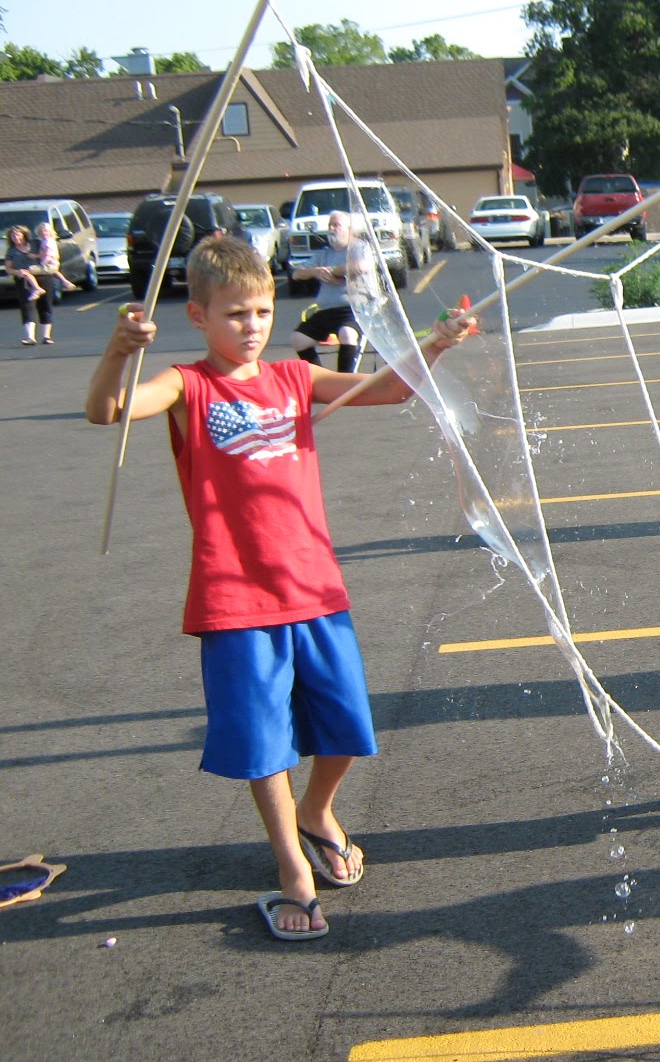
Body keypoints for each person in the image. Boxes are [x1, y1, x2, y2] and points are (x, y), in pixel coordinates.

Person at [84, 235, 475, 942]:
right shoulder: (186, 386)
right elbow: (107, 411)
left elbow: (388, 388)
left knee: (348, 726)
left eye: (262, 311)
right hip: (235, 598)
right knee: (265, 744)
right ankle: (292, 866)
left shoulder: (294, 380)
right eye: (235, 313)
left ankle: (316, 810)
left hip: (315, 587)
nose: (252, 325)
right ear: (198, 316)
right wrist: (118, 348)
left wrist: (437, 342)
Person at [288, 210, 364, 373]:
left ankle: (344, 380)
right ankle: (322, 377)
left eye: (337, 225)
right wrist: (316, 272)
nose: (332, 228)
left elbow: (360, 266)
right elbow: (297, 273)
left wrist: (333, 271)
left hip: (352, 310)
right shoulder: (324, 253)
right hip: (326, 311)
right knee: (298, 339)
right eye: (330, 225)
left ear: (350, 229)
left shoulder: (357, 247)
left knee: (347, 334)